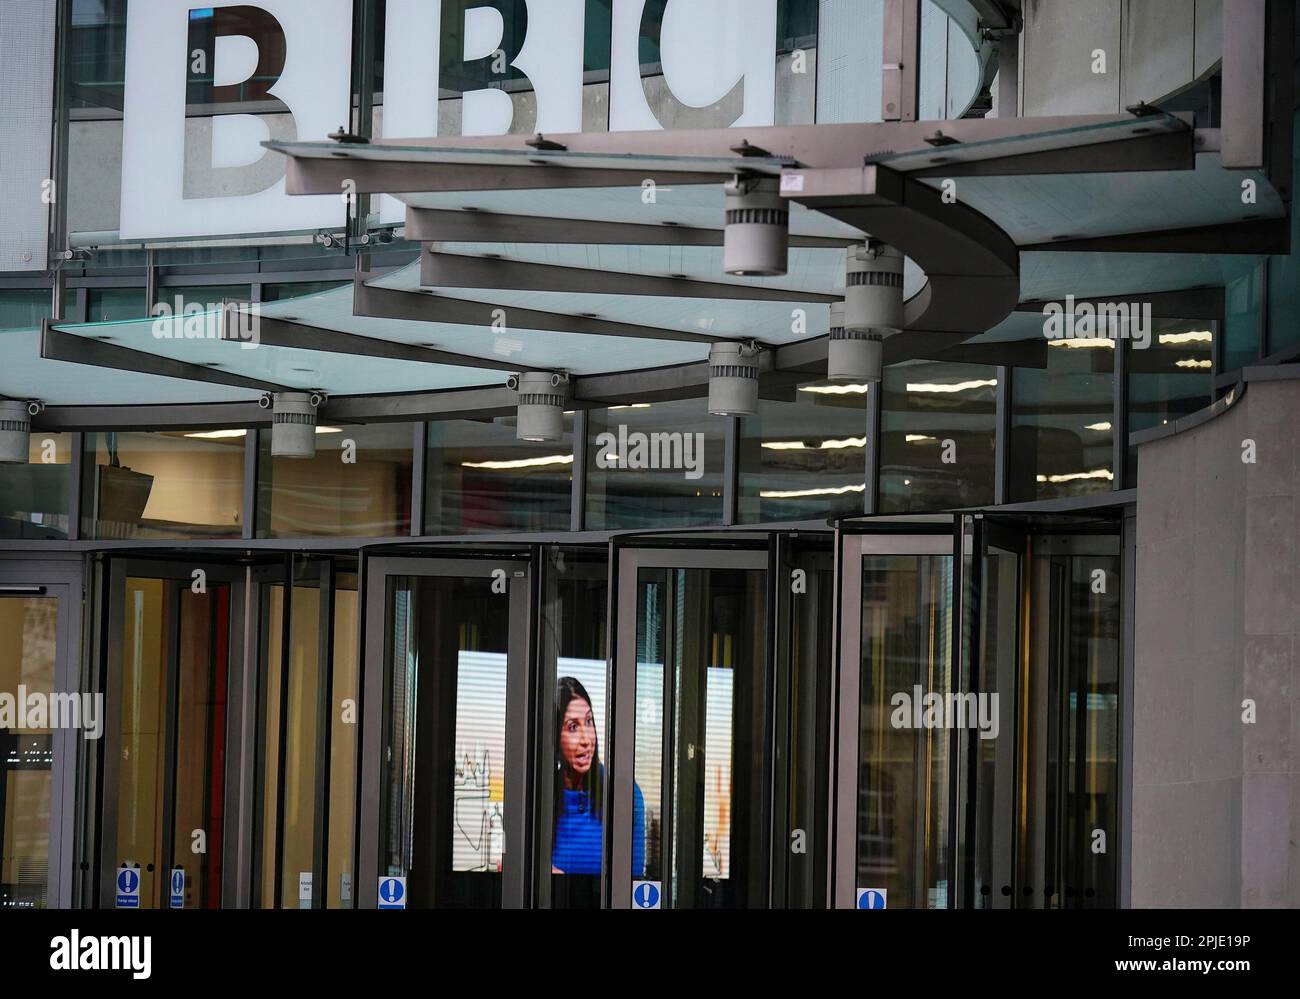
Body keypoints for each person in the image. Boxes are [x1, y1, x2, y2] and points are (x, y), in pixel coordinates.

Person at [551, 676, 645, 876]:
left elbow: (632, 878)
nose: (586, 739)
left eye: (588, 721)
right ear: (555, 736)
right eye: (573, 727)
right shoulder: (542, 795)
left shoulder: (626, 794)